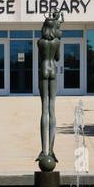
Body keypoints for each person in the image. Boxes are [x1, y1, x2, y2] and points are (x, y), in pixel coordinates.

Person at [35, 14, 62, 171]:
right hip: (53, 70)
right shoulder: (57, 42)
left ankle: (44, 148)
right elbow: (57, 58)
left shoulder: (40, 42)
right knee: (52, 108)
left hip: (43, 69)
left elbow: (41, 59)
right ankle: (51, 149)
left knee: (44, 107)